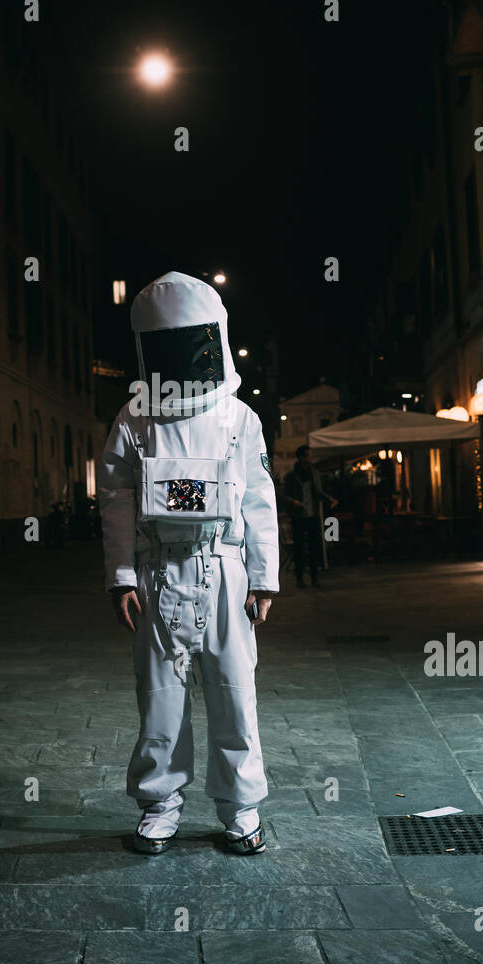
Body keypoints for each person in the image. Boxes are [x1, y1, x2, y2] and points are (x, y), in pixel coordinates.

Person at [99, 271, 279, 856]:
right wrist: (123, 575)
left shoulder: (237, 417)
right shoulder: (133, 419)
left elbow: (258, 497)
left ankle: (241, 808)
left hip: (222, 562)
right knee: (160, 695)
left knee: (233, 690)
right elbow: (117, 500)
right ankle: (160, 804)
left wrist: (263, 574)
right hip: (160, 570)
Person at [282, 445, 329, 588]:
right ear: (301, 457)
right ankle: (300, 579)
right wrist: (293, 502)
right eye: (308, 455)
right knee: (299, 549)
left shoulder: (313, 473)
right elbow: (284, 495)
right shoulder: (291, 476)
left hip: (312, 515)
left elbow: (318, 491)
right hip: (298, 516)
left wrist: (329, 499)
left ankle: (315, 579)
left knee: (314, 547)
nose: (311, 458)